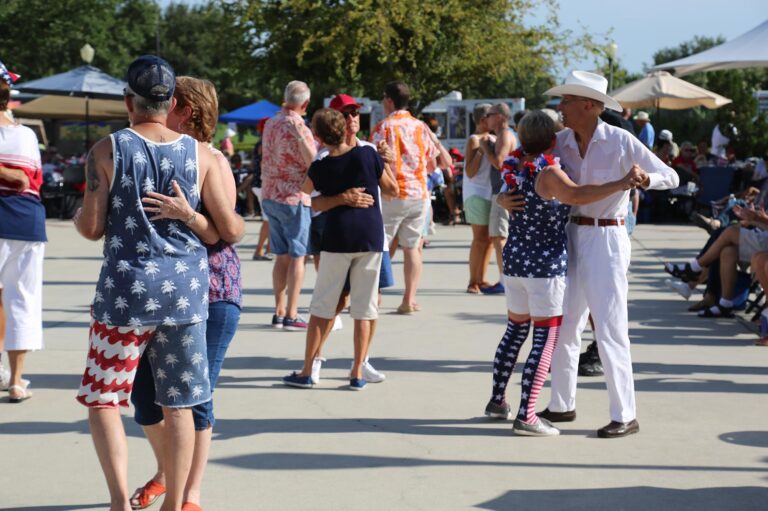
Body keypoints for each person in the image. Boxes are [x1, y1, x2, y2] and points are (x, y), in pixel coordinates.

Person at [73, 56, 243, 511]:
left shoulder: (107, 151)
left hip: (124, 296)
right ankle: (176, 504)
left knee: (106, 398)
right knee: (180, 404)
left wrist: (83, 209)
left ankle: (117, 503)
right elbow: (230, 228)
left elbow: (91, 229)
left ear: (128, 100)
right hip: (185, 294)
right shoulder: (203, 154)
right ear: (169, 102)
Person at [539, 70, 678, 438]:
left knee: (610, 327)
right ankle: (562, 404)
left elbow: (672, 177)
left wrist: (647, 179)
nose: (560, 107)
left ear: (590, 105)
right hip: (570, 234)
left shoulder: (621, 141)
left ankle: (624, 413)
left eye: (567, 100)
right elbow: (528, 171)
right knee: (565, 324)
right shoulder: (560, 142)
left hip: (608, 239)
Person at [127, 76, 244, 511]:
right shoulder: (149, 154)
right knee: (144, 400)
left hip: (211, 293)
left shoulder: (211, 159)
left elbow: (227, 233)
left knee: (195, 400)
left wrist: (188, 214)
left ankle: (188, 495)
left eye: (170, 103)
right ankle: (167, 472)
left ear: (185, 111)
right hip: (159, 294)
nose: (161, 109)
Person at [486, 110, 641, 436]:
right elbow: (579, 195)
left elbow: (501, 196)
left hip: (514, 262)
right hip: (544, 268)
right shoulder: (549, 172)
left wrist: (500, 198)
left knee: (514, 332)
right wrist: (621, 183)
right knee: (544, 340)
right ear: (553, 140)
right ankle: (527, 415)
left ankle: (498, 400)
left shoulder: (514, 168)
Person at [283, 108, 397, 390]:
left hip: (337, 239)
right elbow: (391, 189)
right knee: (365, 308)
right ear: (346, 128)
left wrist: (339, 198)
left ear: (318, 136)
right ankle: (357, 371)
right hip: (370, 236)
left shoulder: (320, 166)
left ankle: (308, 370)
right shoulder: (368, 155)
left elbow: (309, 196)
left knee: (323, 305)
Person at [370, 81, 449, 314]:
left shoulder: (382, 127)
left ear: (389, 100)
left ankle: (375, 293)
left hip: (391, 192)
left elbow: (372, 160)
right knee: (412, 248)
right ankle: (409, 299)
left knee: (380, 245)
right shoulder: (420, 126)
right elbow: (433, 161)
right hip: (419, 193)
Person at [0, 59, 44, 403]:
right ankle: (15, 380)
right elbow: (28, 180)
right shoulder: (26, 135)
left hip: (13, 221)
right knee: (21, 300)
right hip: (27, 223)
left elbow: (21, 179)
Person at [261, 81, 316, 330]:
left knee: (280, 256)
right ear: (305, 104)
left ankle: (279, 310)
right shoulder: (298, 126)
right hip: (294, 196)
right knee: (297, 257)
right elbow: (312, 162)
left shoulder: (271, 122)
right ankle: (292, 313)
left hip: (271, 194)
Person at [478, 103, 518, 295]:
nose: (487, 118)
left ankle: (505, 280)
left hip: (502, 191)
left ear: (500, 117)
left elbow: (500, 162)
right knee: (498, 236)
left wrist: (485, 147)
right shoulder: (506, 134)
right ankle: (506, 279)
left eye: (490, 115)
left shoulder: (504, 134)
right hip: (503, 190)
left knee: (499, 237)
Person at [462, 103, 495, 294]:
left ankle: (481, 279)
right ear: (483, 119)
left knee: (489, 239)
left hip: (489, 193)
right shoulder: (474, 140)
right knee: (479, 239)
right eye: (492, 116)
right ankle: (472, 281)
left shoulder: (494, 138)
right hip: (476, 194)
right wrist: (483, 150)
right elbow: (470, 171)